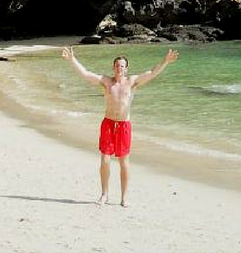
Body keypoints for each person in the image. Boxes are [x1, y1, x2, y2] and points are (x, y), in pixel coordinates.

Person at [61, 45, 179, 207]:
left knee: (124, 163)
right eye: (117, 65)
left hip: (124, 125)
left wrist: (165, 61)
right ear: (113, 67)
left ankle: (124, 197)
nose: (119, 68)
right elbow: (86, 74)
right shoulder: (106, 82)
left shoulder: (132, 82)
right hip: (108, 124)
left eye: (122, 66)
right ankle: (104, 194)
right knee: (105, 160)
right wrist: (72, 59)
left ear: (126, 68)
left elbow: (152, 73)